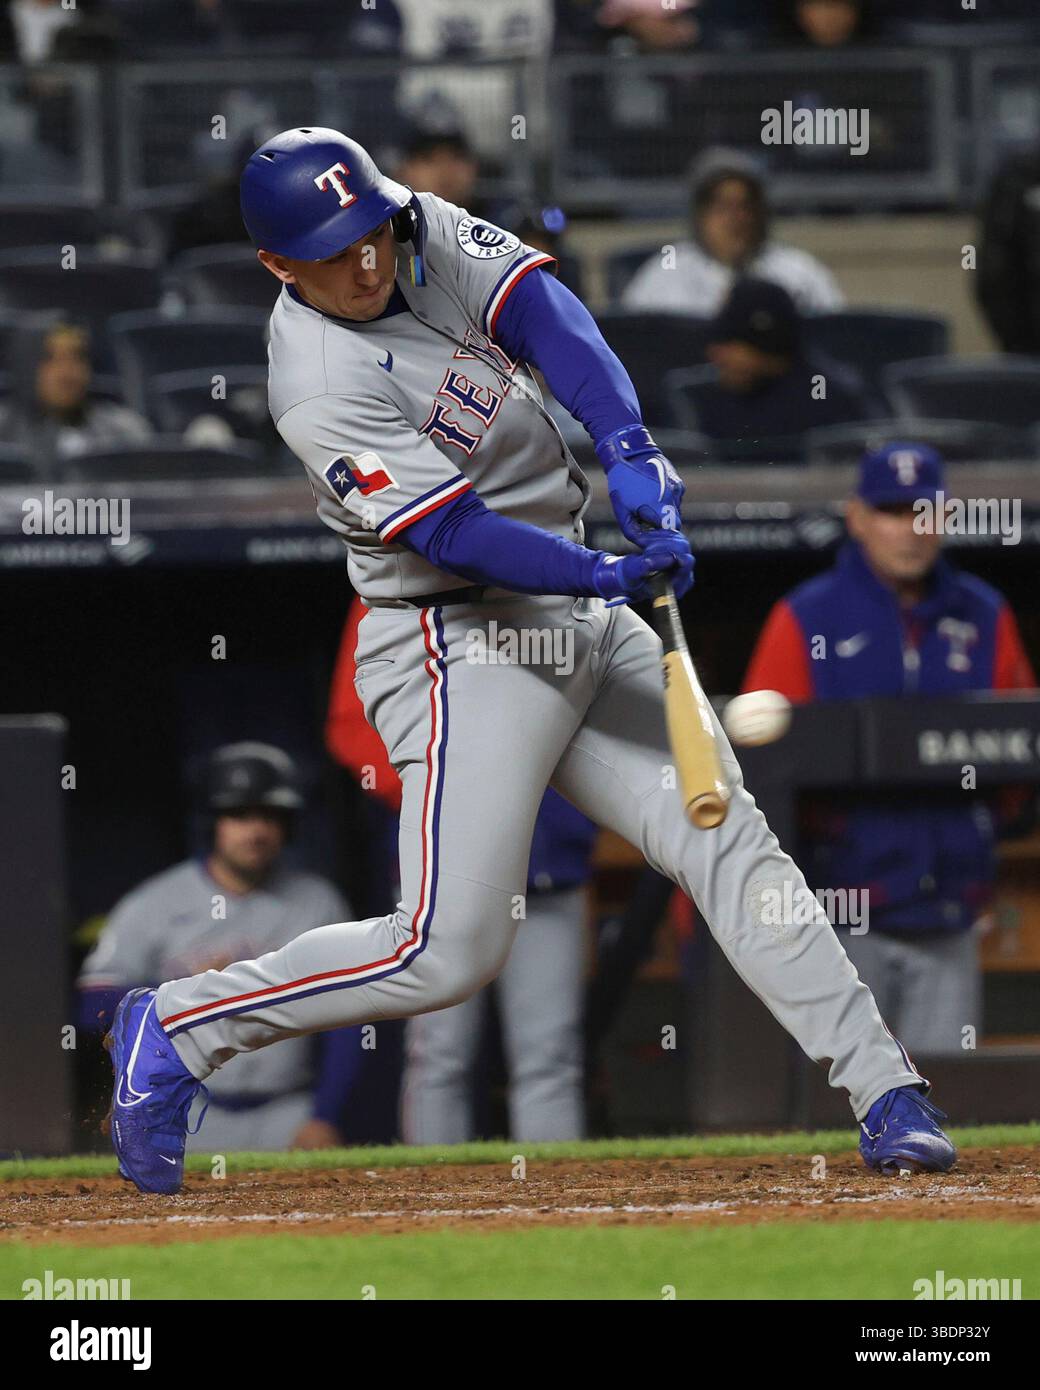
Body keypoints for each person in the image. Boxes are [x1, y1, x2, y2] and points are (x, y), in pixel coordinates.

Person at [103, 127, 955, 1196]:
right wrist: (596, 577)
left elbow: (544, 314)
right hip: (456, 636)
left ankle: (885, 1092)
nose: (366, 259)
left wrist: (633, 447)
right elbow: (451, 535)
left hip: (570, 598)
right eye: (335, 250)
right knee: (446, 951)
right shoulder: (313, 381)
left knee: (724, 831)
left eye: (368, 231)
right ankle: (180, 1024)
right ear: (277, 266)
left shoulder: (407, 224)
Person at [743, 443, 1036, 1055]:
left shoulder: (984, 614)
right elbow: (759, 770)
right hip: (838, 914)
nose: (910, 529)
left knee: (947, 1100)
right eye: (892, 511)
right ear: (857, 517)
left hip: (950, 914)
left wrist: (980, 830)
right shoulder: (807, 616)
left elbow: (1019, 752)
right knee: (839, 1100)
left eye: (922, 512)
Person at [327, 594, 597, 1143]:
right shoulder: (393, 577)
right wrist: (443, 788)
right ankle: (431, 1209)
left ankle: (558, 1214)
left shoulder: (567, 570)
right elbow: (351, 724)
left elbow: (606, 707)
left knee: (550, 1054)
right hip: (443, 863)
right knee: (440, 1053)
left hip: (547, 864)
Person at [84, 744, 352, 1152]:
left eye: (269, 816)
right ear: (214, 823)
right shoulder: (154, 902)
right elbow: (92, 1006)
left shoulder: (318, 902)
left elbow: (350, 1016)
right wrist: (181, 997)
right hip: (185, 1110)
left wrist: (325, 1115)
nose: (256, 831)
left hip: (289, 1113)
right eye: (240, 815)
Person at [621, 147, 844, 317]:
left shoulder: (799, 273)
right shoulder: (663, 275)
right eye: (722, 207)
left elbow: (833, 341)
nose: (735, 219)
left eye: (745, 206)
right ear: (699, 216)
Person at [688, 277, 873, 460]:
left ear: (768, 348)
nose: (716, 355)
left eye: (729, 344)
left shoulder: (829, 396)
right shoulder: (700, 400)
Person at [0, 314, 151, 479]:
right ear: (26, 366)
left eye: (78, 357)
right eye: (50, 358)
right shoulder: (3, 429)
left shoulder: (124, 432)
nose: (67, 371)